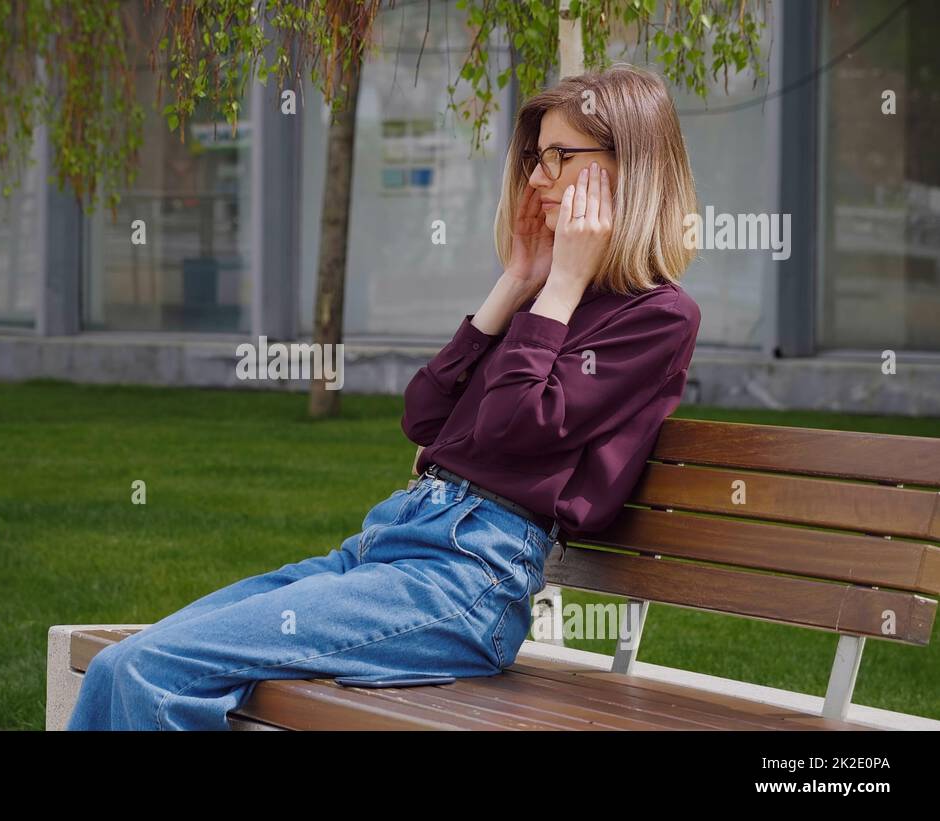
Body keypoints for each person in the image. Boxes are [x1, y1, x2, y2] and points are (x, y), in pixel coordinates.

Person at [66, 62, 702, 731]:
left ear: (628, 166)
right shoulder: (545, 297)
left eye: (559, 157)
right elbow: (424, 413)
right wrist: (517, 281)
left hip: (465, 584)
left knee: (156, 671)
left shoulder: (657, 318)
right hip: (386, 546)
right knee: (121, 663)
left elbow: (516, 425)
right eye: (534, 157)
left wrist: (561, 287)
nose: (538, 178)